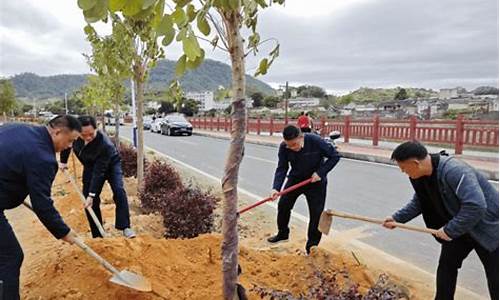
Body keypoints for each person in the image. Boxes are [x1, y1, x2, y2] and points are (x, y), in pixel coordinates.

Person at [382, 141, 498, 300]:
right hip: (459, 226)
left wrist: (450, 230)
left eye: (404, 168)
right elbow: (420, 201)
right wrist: (397, 218)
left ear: (415, 163)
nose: (403, 172)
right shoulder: (420, 176)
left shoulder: (454, 171)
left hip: (487, 228)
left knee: (495, 275)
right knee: (446, 267)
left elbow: (476, 206)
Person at [0, 115, 80, 300]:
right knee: (11, 256)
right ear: (58, 131)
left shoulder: (18, 128)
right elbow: (42, 204)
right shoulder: (44, 158)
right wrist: (64, 232)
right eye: (70, 141)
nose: (69, 146)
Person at [268, 125, 340, 254]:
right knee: (284, 205)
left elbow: (334, 156)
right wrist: (276, 188)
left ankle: (312, 246)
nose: (292, 148)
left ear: (301, 137)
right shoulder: (284, 147)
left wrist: (320, 173)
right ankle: (283, 233)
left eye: (294, 145)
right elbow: (282, 168)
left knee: (316, 214)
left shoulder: (315, 141)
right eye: (289, 145)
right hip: (296, 179)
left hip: (315, 181)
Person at [59, 116, 136, 239]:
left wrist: (92, 194)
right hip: (89, 166)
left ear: (96, 129)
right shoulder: (74, 137)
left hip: (110, 165)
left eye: (91, 134)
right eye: (84, 135)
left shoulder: (105, 144)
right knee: (89, 202)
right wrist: (63, 161)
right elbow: (67, 146)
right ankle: (98, 234)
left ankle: (125, 226)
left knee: (118, 190)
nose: (88, 138)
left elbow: (99, 172)